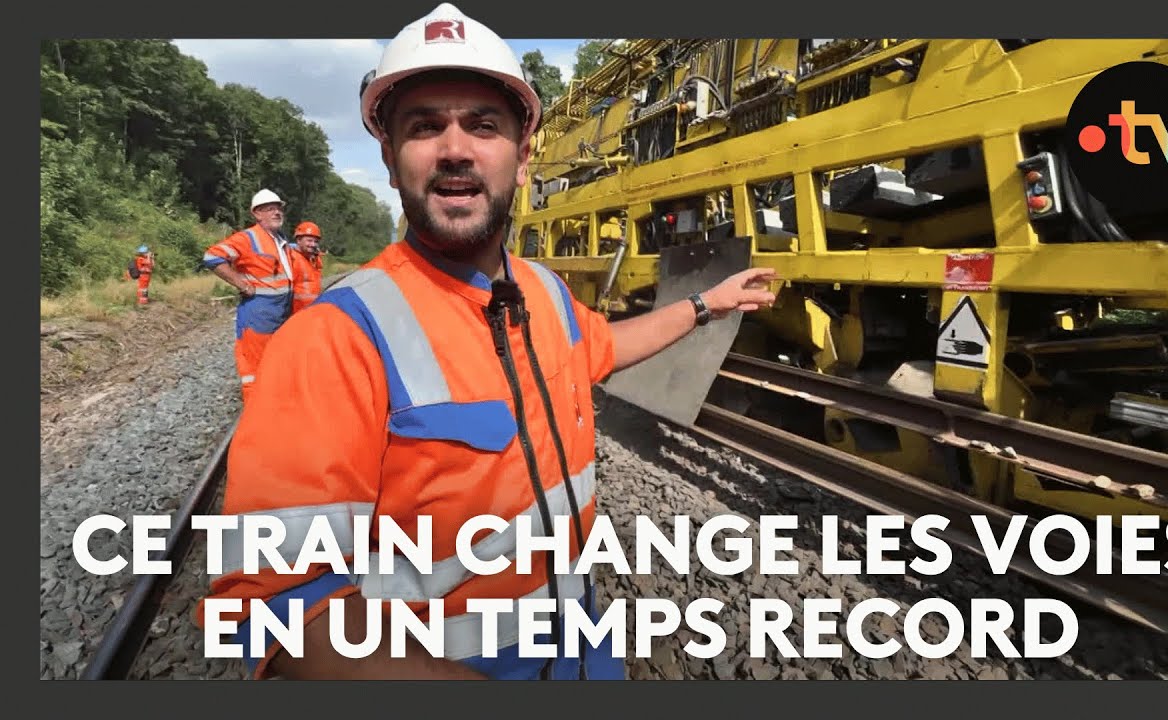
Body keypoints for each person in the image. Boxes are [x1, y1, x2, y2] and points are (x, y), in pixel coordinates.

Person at [196, 2, 776, 681]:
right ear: (390, 160)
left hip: (581, 642)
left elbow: (606, 349)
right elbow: (280, 607)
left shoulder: (546, 292)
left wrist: (706, 304)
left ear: (524, 157)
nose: (455, 148)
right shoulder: (334, 337)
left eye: (483, 124)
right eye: (424, 126)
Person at [201, 189, 296, 401]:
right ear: (257, 214)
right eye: (270, 209)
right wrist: (239, 282)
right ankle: (255, 414)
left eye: (278, 208)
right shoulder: (248, 238)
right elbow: (211, 256)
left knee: (274, 365)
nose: (277, 212)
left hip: (279, 313)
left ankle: (273, 408)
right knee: (255, 371)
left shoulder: (279, 239)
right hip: (258, 314)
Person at [288, 221, 325, 314]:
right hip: (295, 313)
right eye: (309, 240)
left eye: (316, 241)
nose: (313, 244)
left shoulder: (315, 259)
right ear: (298, 240)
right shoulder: (291, 258)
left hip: (312, 311)